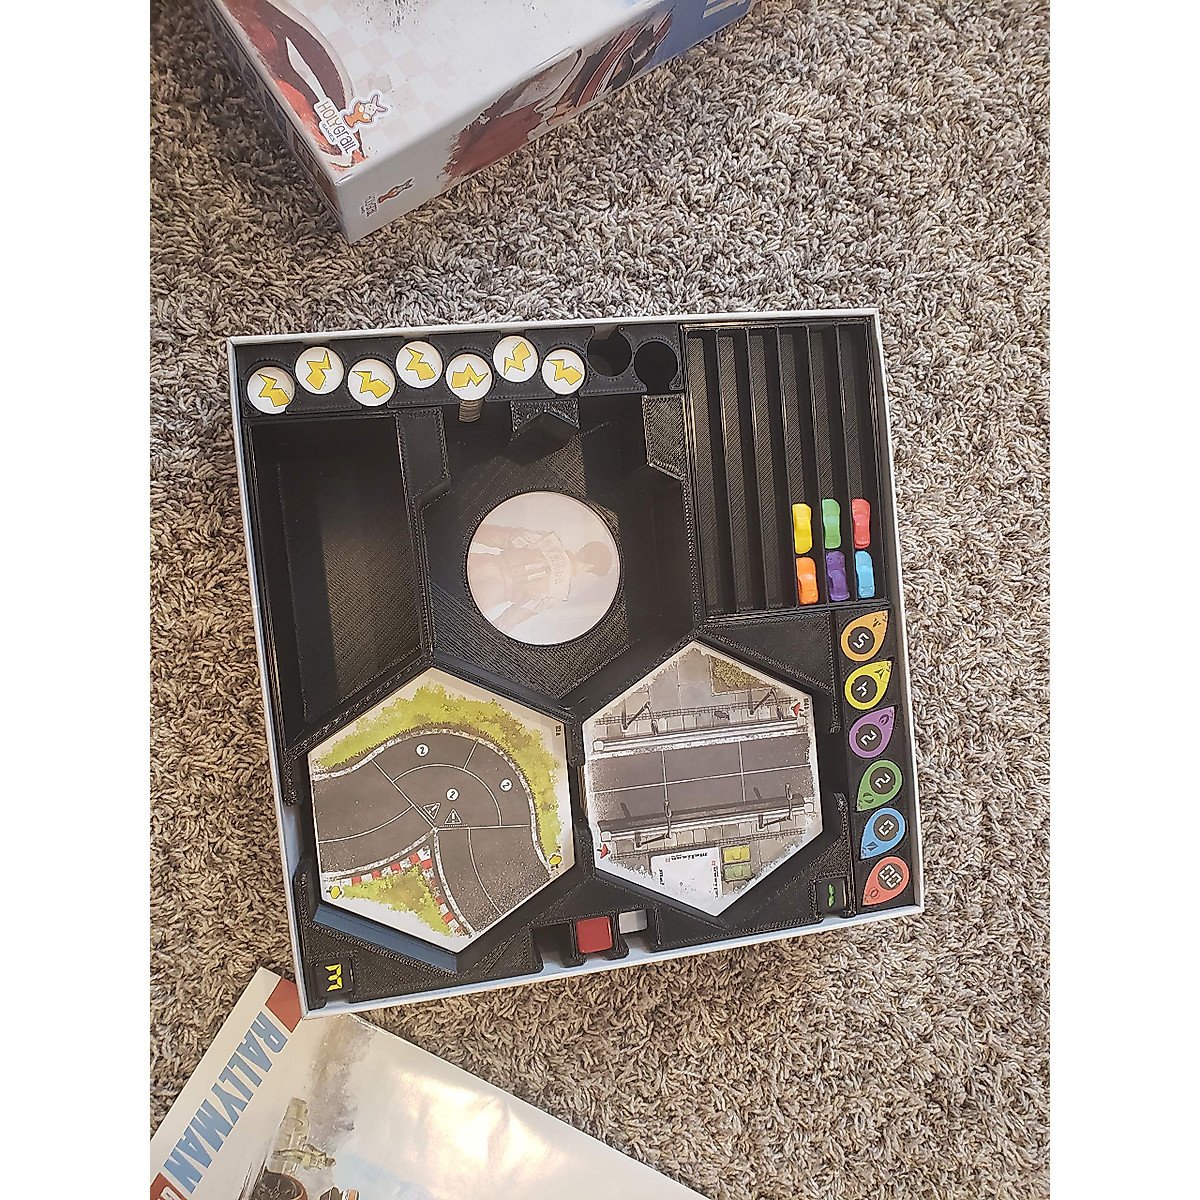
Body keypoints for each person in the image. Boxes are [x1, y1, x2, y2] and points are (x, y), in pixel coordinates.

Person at [469, 523, 613, 636]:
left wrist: (468, 529)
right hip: (486, 595)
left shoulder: (548, 540)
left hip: (478, 563)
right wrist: (486, 636)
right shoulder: (557, 593)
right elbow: (514, 616)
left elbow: (502, 536)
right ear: (589, 567)